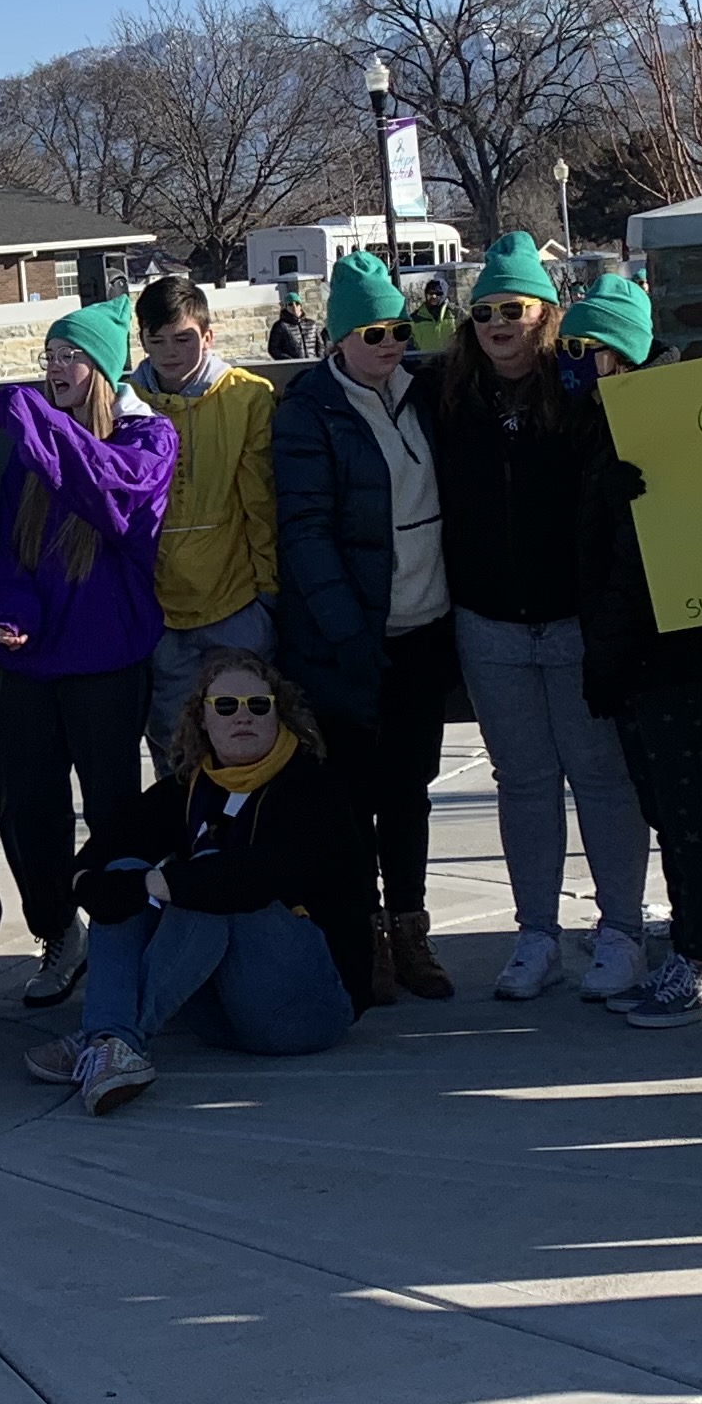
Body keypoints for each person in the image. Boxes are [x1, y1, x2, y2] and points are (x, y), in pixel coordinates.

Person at [430, 231, 653, 1002]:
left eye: (515, 309)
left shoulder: (582, 394)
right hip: (488, 622)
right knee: (522, 782)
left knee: (601, 775)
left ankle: (622, 928)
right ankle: (535, 935)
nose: (499, 324)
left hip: (575, 619)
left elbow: (651, 391)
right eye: (485, 309)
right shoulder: (447, 397)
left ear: (545, 314)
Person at [45, 647, 371, 1113]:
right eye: (226, 706)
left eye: (259, 705)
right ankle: (111, 1040)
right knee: (123, 873)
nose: (244, 716)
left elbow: (253, 878)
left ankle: (110, 1037)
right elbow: (104, 850)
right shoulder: (190, 787)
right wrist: (91, 883)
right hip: (218, 1018)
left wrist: (154, 886)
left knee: (205, 880)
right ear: (202, 719)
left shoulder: (312, 788)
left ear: (280, 714)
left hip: (307, 1010)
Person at [270, 248, 454, 1007]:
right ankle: (366, 931)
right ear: (339, 337)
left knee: (410, 787)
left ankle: (411, 926)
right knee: (351, 795)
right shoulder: (308, 413)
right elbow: (305, 532)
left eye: (398, 329)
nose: (389, 343)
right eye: (373, 332)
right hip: (349, 638)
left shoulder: (428, 394)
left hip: (426, 624)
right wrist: (350, 633)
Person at [0, 298, 175, 1009]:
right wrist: (11, 614)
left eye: (71, 357)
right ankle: (59, 932)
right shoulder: (31, 453)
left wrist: (40, 423)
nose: (56, 368)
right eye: (50, 357)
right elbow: (11, 552)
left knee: (113, 810)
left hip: (108, 661)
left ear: (102, 368)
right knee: (27, 812)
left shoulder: (148, 439)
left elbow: (112, 496)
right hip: (34, 666)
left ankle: (125, 936)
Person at [566, 272, 702, 1024]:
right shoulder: (596, 420)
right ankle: (689, 941)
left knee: (690, 809)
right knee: (665, 812)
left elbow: (640, 562)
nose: (576, 360)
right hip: (632, 654)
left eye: (591, 348)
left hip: (673, 651)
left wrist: (609, 652)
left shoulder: (663, 418)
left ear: (624, 354)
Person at [128, 275, 278, 776]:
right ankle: (188, 847)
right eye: (158, 340)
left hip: (235, 603)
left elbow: (260, 502)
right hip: (159, 612)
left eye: (184, 338)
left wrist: (269, 591)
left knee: (248, 742)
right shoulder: (124, 404)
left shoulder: (248, 397)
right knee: (175, 750)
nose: (171, 352)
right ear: (142, 341)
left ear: (208, 336)